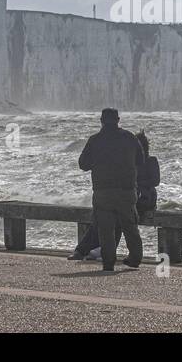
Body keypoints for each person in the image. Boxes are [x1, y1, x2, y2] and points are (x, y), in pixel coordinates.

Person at [71, 108, 144, 271]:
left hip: (103, 191)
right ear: (118, 120)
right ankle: (135, 258)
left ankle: (108, 262)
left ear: (101, 121)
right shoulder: (130, 138)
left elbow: (83, 164)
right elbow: (141, 159)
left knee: (105, 228)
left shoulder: (95, 140)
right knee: (130, 226)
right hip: (126, 190)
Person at [68, 130, 158, 261]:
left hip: (145, 199)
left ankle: (102, 252)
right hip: (129, 198)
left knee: (116, 217)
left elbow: (155, 181)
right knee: (102, 217)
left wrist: (135, 183)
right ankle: (85, 250)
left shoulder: (150, 161)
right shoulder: (128, 161)